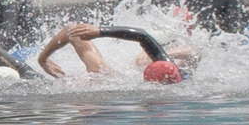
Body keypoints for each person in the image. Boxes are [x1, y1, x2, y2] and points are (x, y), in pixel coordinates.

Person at [35, 23, 184, 82]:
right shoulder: (104, 76)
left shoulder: (102, 76)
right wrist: (99, 31)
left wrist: (43, 59)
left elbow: (71, 31)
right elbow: (72, 31)